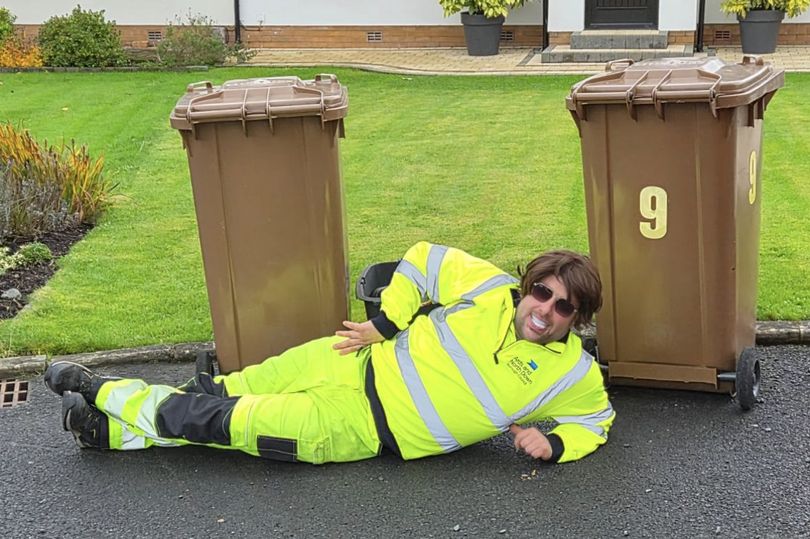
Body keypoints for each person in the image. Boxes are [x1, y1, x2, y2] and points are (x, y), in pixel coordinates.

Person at [46, 241, 614, 464]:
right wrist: (387, 322)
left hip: (360, 428)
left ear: (578, 320)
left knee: (230, 422)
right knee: (227, 389)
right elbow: (421, 259)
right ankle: (105, 433)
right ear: (527, 285)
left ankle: (101, 391)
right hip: (350, 358)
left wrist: (557, 441)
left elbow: (597, 419)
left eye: (564, 307)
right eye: (541, 291)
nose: (545, 310)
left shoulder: (573, 373)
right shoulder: (489, 289)